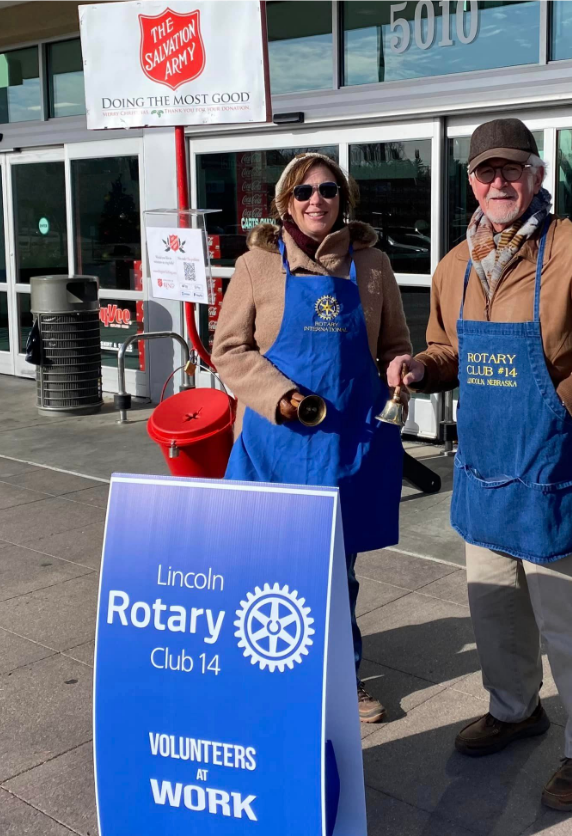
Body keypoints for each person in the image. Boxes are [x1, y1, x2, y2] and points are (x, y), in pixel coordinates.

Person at [388, 118, 572, 811]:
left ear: (536, 177)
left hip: (559, 453)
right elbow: (449, 349)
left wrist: (560, 400)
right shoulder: (454, 264)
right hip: (484, 457)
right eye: (483, 172)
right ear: (470, 182)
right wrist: (420, 364)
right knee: (491, 598)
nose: (496, 182)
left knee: (563, 606)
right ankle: (513, 708)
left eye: (511, 170)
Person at [212, 153, 412, 723]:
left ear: (341, 198)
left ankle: (342, 678)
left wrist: (401, 366)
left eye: (327, 190)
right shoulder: (256, 267)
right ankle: (266, 671)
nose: (316, 200)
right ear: (285, 203)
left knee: (337, 568)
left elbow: (394, 342)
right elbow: (229, 350)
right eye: (303, 192)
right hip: (275, 444)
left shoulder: (373, 265)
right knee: (269, 562)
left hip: (346, 445)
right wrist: (282, 397)